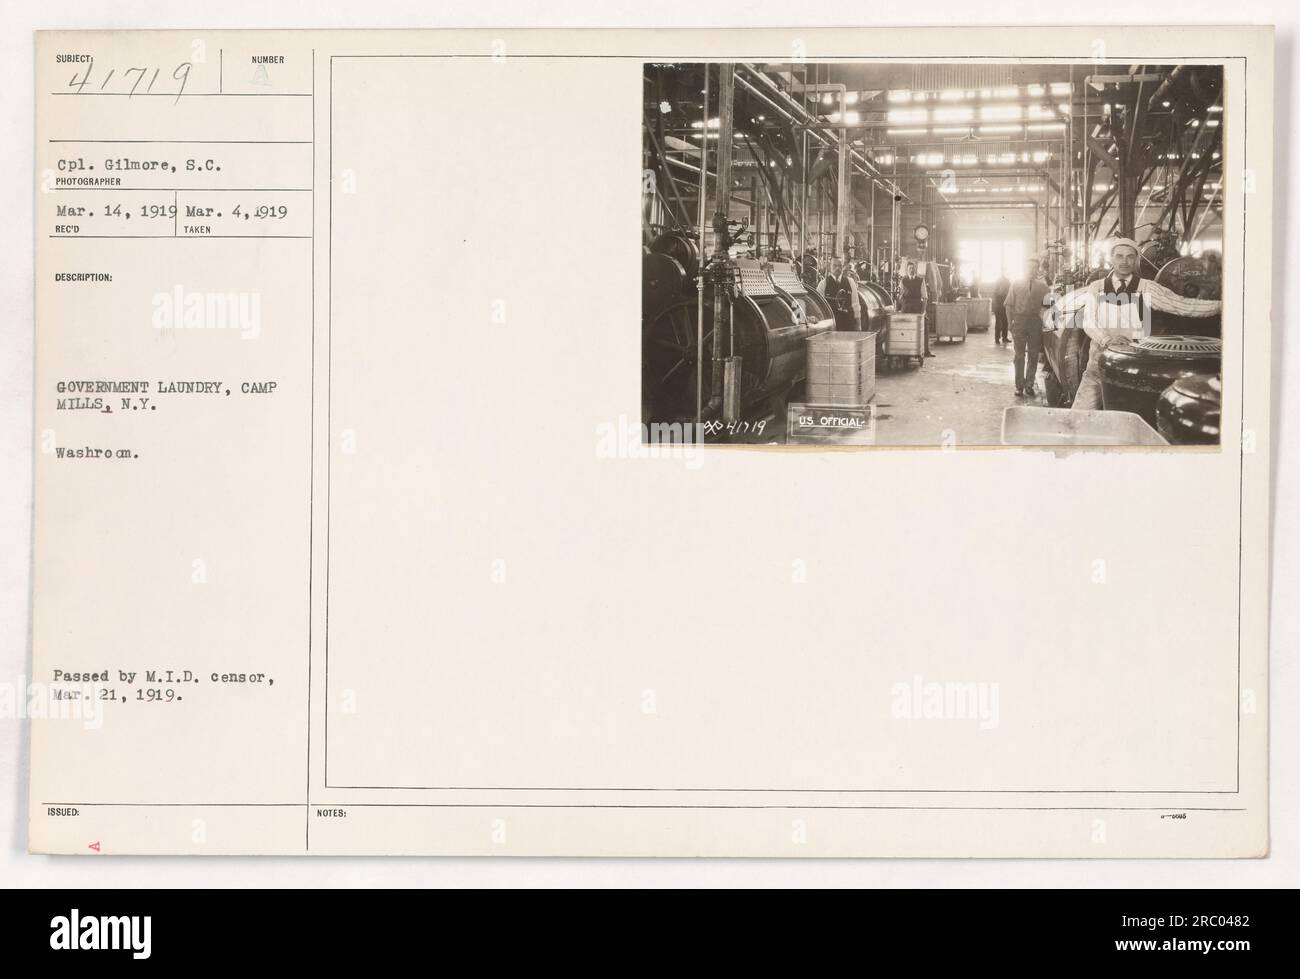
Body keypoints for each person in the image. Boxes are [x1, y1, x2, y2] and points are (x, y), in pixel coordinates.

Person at [1050, 238, 1222, 409]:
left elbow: (1184, 306)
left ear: (1136, 260)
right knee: (1080, 414)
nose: (1124, 261)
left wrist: (1220, 306)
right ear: (1112, 259)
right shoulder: (1097, 287)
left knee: (1127, 417)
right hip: (1097, 365)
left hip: (1132, 368)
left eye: (1130, 257)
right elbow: (1089, 321)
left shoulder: (1147, 288)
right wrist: (1107, 340)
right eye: (1119, 256)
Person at [1004, 257, 1050, 396]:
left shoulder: (1043, 287)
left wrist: (1044, 321)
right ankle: (1019, 385)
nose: (1031, 270)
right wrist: (1009, 323)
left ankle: (1029, 385)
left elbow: (1049, 307)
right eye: (1028, 267)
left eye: (1034, 268)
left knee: (1033, 354)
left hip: (1035, 322)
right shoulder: (1016, 283)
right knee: (1019, 355)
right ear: (1024, 269)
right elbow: (1008, 305)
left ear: (1038, 270)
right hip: (1019, 321)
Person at [897, 260, 934, 357]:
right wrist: (901, 306)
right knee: (903, 328)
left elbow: (925, 298)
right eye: (910, 268)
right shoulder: (903, 281)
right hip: (906, 309)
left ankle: (926, 351)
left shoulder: (920, 280)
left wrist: (923, 312)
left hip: (917, 308)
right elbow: (900, 296)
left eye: (913, 268)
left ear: (915, 269)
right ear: (907, 270)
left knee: (925, 324)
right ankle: (904, 350)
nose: (911, 270)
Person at [818, 259, 860, 331]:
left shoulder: (850, 282)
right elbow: (819, 306)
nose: (837, 268)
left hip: (848, 324)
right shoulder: (823, 284)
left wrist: (858, 324)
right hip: (831, 326)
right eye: (834, 265)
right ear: (830, 267)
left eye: (839, 265)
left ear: (843, 267)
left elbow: (856, 305)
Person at [991, 272, 1011, 344]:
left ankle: (1004, 338)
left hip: (1004, 303)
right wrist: (995, 304)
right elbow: (995, 293)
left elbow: (1009, 293)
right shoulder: (999, 282)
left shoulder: (1007, 281)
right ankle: (998, 338)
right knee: (999, 322)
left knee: (1005, 322)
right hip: (999, 303)